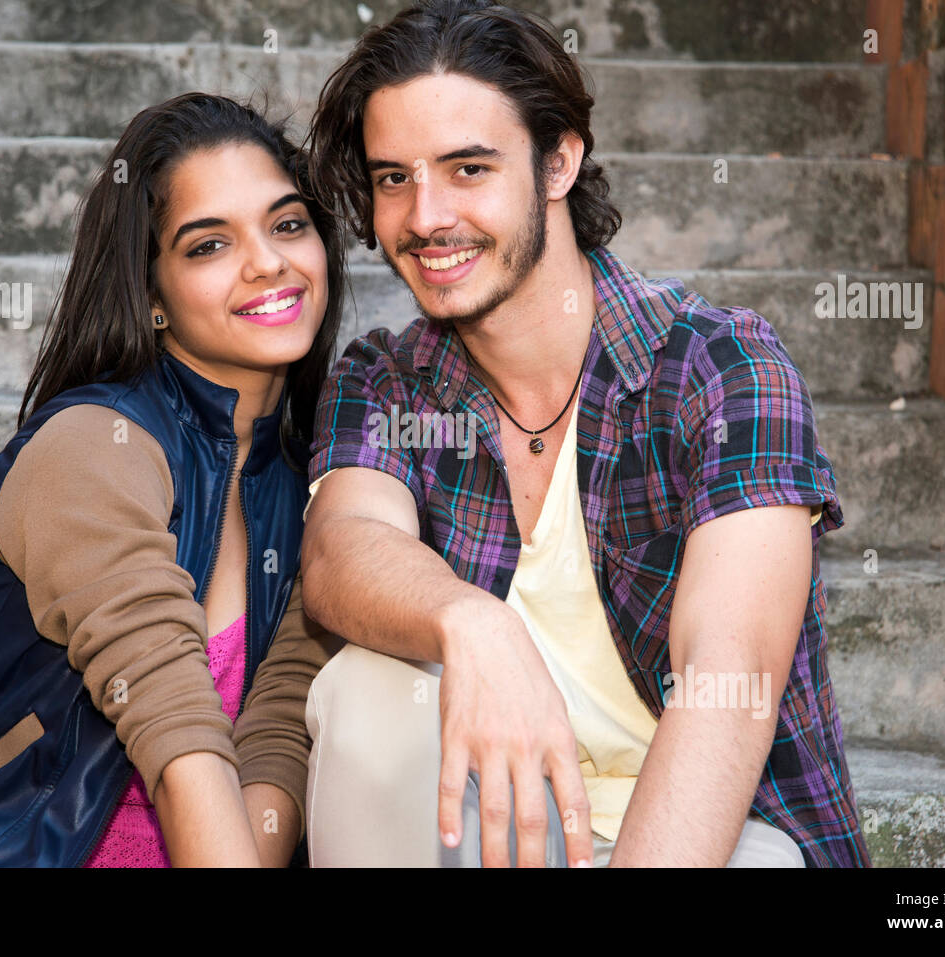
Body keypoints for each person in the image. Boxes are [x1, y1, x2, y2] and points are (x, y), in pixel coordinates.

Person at [298, 0, 870, 867]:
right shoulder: (385, 379)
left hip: (713, 839)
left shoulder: (717, 365)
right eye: (393, 178)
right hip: (498, 826)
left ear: (558, 160)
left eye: (467, 168)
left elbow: (728, 679)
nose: (424, 217)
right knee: (365, 688)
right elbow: (342, 550)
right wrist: (471, 622)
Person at [0, 92, 345, 867]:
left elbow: (275, 741)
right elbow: (177, 738)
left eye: (287, 223)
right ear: (151, 296)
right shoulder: (93, 448)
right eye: (208, 245)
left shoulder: (313, 482)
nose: (267, 261)